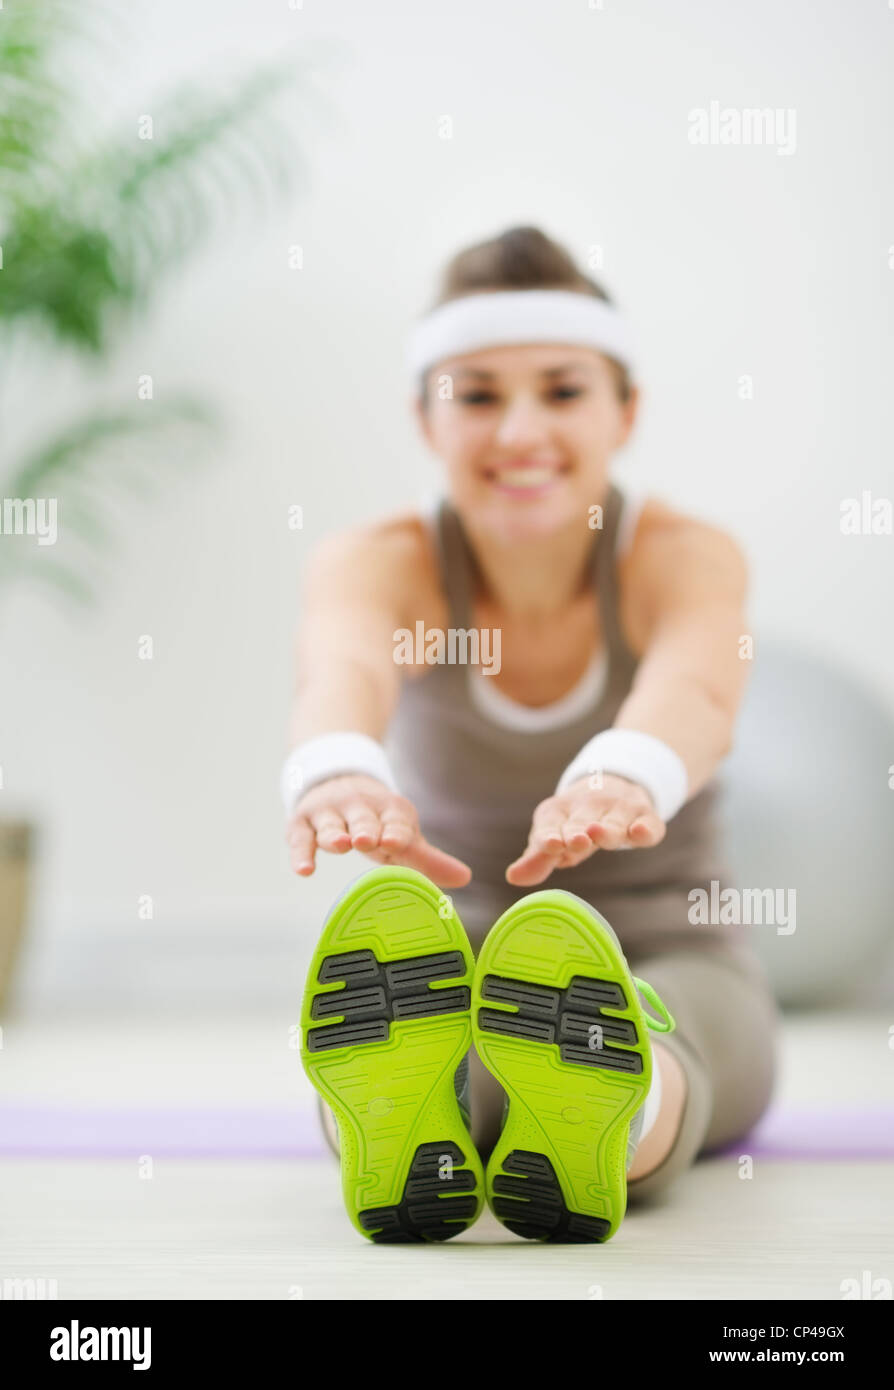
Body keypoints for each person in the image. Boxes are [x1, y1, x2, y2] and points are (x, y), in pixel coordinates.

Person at [283, 225, 779, 1234]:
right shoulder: (385, 561)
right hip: (456, 954)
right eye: (475, 394)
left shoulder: (680, 557)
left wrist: (625, 775)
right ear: (427, 418)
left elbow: (699, 690)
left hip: (674, 942)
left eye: (561, 390)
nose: (517, 433)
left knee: (655, 1033)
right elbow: (344, 666)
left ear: (625, 411)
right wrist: (337, 769)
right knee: (458, 1040)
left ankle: (614, 1105)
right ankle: (402, 1112)